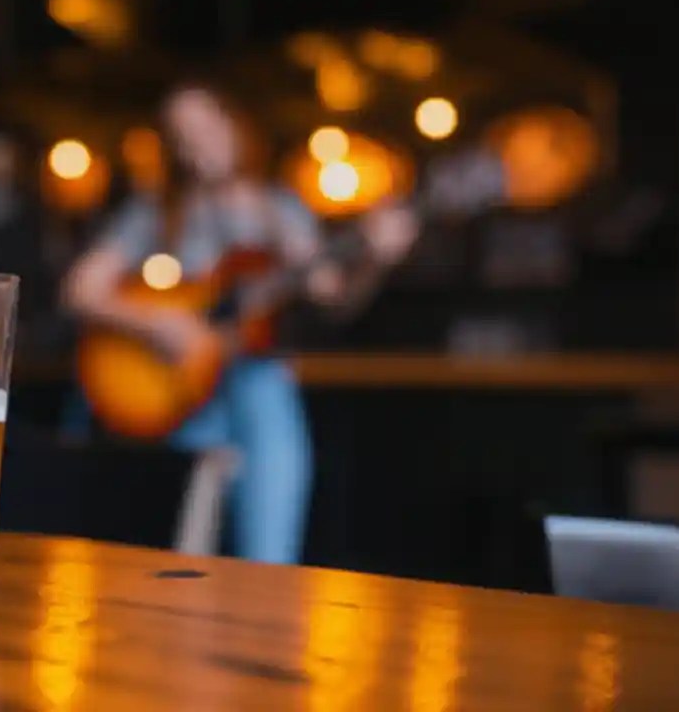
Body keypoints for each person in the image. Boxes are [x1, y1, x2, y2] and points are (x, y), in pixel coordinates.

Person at [62, 81, 416, 564]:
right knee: (179, 556)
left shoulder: (279, 209)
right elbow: (80, 290)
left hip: (257, 389)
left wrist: (375, 259)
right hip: (182, 394)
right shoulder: (156, 210)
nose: (196, 145)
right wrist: (158, 323)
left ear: (233, 125)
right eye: (181, 136)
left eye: (205, 128)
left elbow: (331, 295)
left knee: (268, 548)